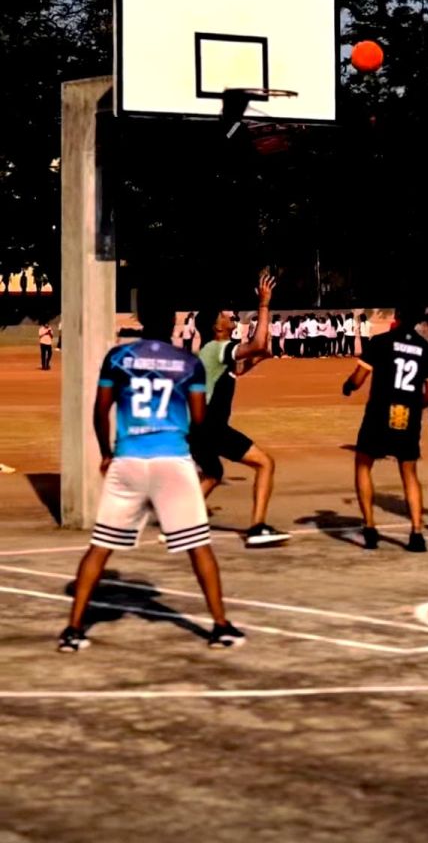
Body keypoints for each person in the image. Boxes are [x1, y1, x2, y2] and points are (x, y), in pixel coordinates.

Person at [57, 290, 244, 653]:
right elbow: (199, 418)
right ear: (174, 322)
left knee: (100, 547)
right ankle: (220, 626)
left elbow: (100, 410)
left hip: (128, 459)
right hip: (172, 459)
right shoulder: (188, 362)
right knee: (198, 547)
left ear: (140, 319)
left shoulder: (119, 357)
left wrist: (107, 452)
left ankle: (73, 629)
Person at [193, 272, 289, 547]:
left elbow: (240, 368)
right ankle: (257, 528)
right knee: (265, 463)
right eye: (223, 315)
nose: (229, 316)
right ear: (217, 327)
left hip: (200, 428)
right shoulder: (218, 348)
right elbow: (257, 345)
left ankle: (180, 524)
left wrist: (258, 359)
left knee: (213, 474)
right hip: (211, 426)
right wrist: (264, 304)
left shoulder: (213, 352)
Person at [342, 302, 428, 551]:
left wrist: (348, 386)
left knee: (364, 464)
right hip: (407, 415)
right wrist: (414, 406)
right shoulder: (427, 350)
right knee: (409, 473)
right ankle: (417, 533)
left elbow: (358, 379)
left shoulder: (380, 342)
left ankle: (370, 528)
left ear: (397, 315)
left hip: (379, 412)